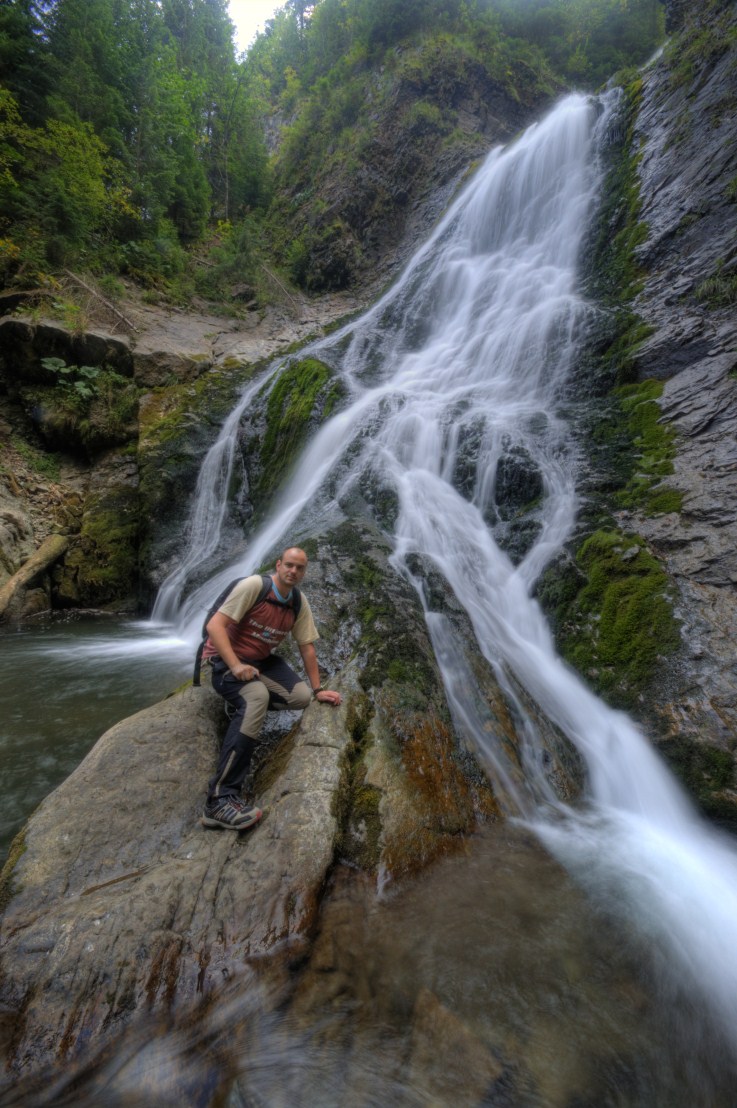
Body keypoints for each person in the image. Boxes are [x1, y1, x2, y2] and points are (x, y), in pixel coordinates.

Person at [201, 546, 342, 830]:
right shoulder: (255, 586)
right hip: (224, 661)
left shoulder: (297, 602)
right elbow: (215, 626)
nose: (293, 571)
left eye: (299, 568)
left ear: (304, 572)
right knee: (256, 698)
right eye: (289, 565)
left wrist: (317, 691)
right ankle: (219, 800)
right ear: (278, 565)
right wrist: (236, 665)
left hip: (261, 662)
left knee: (300, 697)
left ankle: (240, 708)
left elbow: (307, 648)